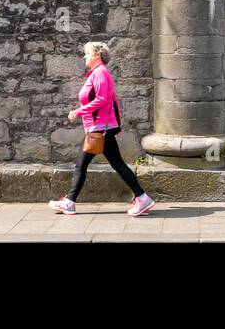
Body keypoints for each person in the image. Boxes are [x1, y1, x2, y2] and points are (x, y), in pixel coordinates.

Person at [48, 41, 156, 217]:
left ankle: (70, 202)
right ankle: (142, 197)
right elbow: (113, 99)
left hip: (99, 128)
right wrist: (116, 124)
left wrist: (79, 111)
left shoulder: (100, 73)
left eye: (87, 53)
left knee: (81, 165)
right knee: (116, 164)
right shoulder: (97, 73)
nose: (85, 56)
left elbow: (103, 99)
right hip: (101, 127)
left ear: (97, 55)